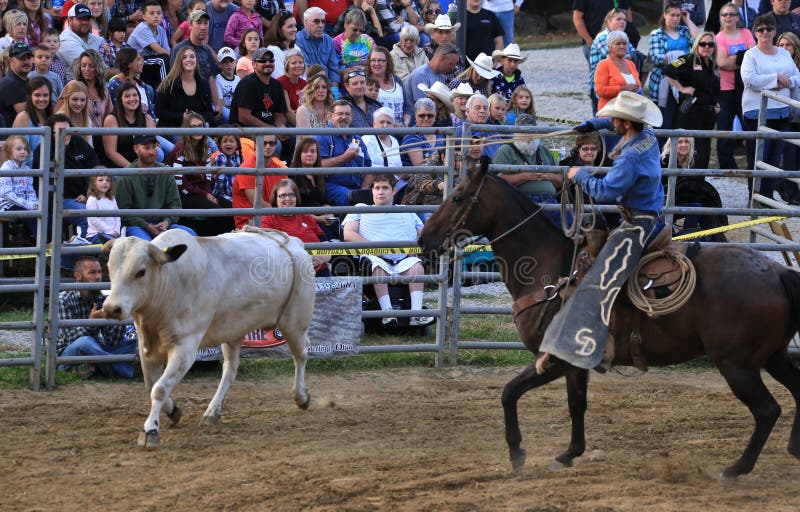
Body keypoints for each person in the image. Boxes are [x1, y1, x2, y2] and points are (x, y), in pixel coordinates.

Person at [537, 91, 664, 372]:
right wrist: (593, 124)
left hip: (638, 224)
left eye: (615, 117)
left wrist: (578, 175)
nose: (612, 120)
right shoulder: (647, 138)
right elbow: (610, 125)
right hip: (648, 214)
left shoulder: (629, 157)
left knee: (598, 279)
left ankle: (593, 341)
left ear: (626, 123)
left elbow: (606, 192)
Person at [342, 173, 433, 326]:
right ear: (372, 191)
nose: (380, 191)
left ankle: (416, 314)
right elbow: (348, 234)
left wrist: (416, 247)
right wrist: (374, 249)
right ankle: (387, 313)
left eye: (385, 188)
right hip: (374, 257)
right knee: (377, 265)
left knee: (417, 266)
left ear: (394, 190)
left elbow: (423, 234)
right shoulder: (360, 209)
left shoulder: (406, 210)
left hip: (404, 259)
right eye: (377, 188)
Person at [742, 13, 800, 203]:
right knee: (759, 156)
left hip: (782, 111)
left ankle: (766, 197)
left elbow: (797, 76)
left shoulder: (783, 53)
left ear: (775, 31)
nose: (765, 32)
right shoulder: (751, 54)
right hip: (757, 112)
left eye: (769, 28)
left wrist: (787, 80)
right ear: (755, 32)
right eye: (761, 29)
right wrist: (776, 79)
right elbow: (749, 79)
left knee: (774, 159)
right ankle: (754, 196)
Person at [57, 256, 134, 379]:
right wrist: (91, 323)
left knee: (135, 343)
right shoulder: (63, 299)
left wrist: (114, 318)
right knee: (85, 342)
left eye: (99, 272)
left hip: (96, 349)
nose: (98, 277)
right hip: (69, 353)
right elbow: (67, 340)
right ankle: (125, 371)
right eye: (92, 272)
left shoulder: (102, 298)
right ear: (78, 276)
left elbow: (113, 342)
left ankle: (97, 367)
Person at [115, 134, 197, 240]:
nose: (151, 151)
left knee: (191, 235)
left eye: (154, 147)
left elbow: (175, 205)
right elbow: (124, 212)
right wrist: (148, 226)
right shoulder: (126, 176)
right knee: (147, 247)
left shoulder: (166, 172)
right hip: (136, 226)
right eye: (146, 148)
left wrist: (166, 222)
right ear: (136, 149)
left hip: (162, 225)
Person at [165, 112, 234, 235]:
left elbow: (207, 176)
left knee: (233, 210)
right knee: (219, 214)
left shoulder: (204, 148)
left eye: (200, 125)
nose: (198, 129)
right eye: (193, 127)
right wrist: (205, 195)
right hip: (183, 196)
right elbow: (181, 184)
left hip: (200, 193)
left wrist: (207, 193)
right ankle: (206, 237)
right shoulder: (179, 151)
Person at [664, 31, 720, 170]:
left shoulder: (711, 65)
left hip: (707, 116)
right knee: (689, 151)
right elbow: (667, 70)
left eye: (710, 44)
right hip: (691, 113)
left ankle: (700, 184)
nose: (706, 47)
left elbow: (710, 88)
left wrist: (716, 103)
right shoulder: (688, 59)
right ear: (697, 45)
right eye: (703, 44)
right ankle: (684, 185)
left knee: (704, 152)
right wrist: (681, 88)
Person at [660, 136, 729, 240]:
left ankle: (710, 235)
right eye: (679, 142)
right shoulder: (665, 161)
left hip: (677, 199)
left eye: (686, 141)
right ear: (671, 145)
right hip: (661, 203)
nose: (683, 145)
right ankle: (689, 236)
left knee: (704, 203)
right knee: (697, 207)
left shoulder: (691, 160)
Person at [647, 2, 700, 134]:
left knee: (681, 122)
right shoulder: (656, 34)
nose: (676, 18)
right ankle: (662, 153)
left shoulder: (684, 31)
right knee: (664, 123)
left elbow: (699, 41)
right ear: (665, 15)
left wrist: (687, 19)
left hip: (685, 81)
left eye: (678, 15)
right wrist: (682, 58)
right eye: (672, 15)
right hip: (664, 83)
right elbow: (656, 57)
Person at [262, 178, 332, 276]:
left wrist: (324, 257)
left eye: (291, 195)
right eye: (282, 195)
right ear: (275, 198)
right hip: (289, 274)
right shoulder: (269, 219)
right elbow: (269, 250)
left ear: (296, 197)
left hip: (318, 270)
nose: (287, 199)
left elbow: (325, 242)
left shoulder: (306, 215)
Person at [716, 2, 756, 170]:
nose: (728, 17)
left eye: (731, 14)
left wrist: (736, 59)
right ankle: (727, 166)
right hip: (726, 89)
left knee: (750, 128)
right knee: (724, 129)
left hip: (745, 89)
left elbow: (754, 57)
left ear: (738, 17)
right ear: (720, 18)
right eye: (724, 14)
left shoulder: (745, 32)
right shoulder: (719, 37)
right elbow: (722, 62)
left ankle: (753, 163)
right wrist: (743, 59)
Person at [494, 114, 562, 211]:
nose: (527, 134)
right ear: (516, 131)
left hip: (550, 200)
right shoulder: (506, 150)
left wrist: (549, 176)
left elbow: (561, 181)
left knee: (570, 223)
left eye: (531, 130)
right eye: (523, 131)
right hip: (522, 201)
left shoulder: (544, 150)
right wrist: (525, 176)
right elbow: (496, 181)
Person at [316, 99, 372, 206]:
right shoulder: (322, 136)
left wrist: (363, 191)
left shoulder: (357, 138)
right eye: (340, 114)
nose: (344, 117)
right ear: (330, 116)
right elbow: (318, 165)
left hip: (357, 187)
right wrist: (345, 158)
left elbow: (368, 168)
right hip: (331, 186)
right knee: (347, 196)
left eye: (347, 114)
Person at [588, 7, 639, 114]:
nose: (622, 22)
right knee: (601, 123)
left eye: (624, 20)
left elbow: (634, 55)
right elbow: (616, 57)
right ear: (608, 21)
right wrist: (630, 56)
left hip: (623, 90)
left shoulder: (622, 37)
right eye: (618, 19)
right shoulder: (604, 37)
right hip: (603, 86)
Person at [231, 132, 288, 228]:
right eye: (264, 143)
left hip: (273, 217)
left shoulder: (280, 169)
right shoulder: (247, 169)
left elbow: (286, 200)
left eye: (271, 143)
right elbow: (258, 203)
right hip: (250, 222)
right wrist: (284, 214)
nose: (268, 146)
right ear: (256, 145)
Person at [229, 46, 288, 132]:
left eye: (271, 60)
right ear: (254, 64)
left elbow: (279, 114)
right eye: (263, 61)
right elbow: (244, 117)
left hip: (270, 130)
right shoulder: (248, 83)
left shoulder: (277, 85)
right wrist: (271, 130)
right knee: (276, 144)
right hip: (245, 131)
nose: (268, 63)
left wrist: (280, 128)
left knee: (294, 137)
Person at [155, 45, 214, 128]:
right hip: (174, 129)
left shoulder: (203, 84)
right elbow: (159, 112)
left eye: (192, 57)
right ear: (179, 61)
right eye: (184, 57)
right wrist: (182, 117)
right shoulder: (168, 84)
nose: (189, 59)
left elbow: (209, 112)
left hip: (198, 130)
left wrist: (196, 118)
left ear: (196, 60)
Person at [0, 136, 39, 238]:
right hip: (7, 206)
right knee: (31, 216)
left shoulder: (26, 169)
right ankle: (42, 242)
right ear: (9, 151)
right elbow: (8, 194)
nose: (23, 152)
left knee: (45, 214)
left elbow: (30, 190)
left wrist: (35, 204)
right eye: (18, 149)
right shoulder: (6, 168)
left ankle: (54, 241)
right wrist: (29, 206)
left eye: (25, 149)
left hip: (23, 204)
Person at [126, 0, 170, 89]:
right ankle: (166, 90)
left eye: (158, 13)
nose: (156, 16)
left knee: (168, 59)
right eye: (152, 13)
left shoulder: (161, 30)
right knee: (163, 60)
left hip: (149, 62)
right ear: (144, 17)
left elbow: (167, 50)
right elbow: (160, 51)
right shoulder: (143, 29)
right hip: (133, 62)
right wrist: (176, 55)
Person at [594, 30, 641, 113]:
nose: (622, 46)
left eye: (624, 43)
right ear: (609, 47)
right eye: (618, 44)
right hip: (610, 113)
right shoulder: (603, 65)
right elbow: (600, 90)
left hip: (631, 113)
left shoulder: (631, 64)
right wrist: (623, 89)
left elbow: (638, 86)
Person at [13, 76, 52, 168]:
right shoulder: (23, 117)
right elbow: (22, 153)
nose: (42, 99)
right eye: (37, 95)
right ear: (30, 96)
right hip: (29, 172)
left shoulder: (51, 117)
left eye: (45, 95)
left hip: (50, 170)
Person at [295, 6, 340, 86]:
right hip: (310, 85)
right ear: (305, 23)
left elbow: (333, 69)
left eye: (323, 22)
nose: (321, 25)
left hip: (328, 85)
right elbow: (307, 70)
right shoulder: (298, 40)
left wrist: (334, 88)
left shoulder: (328, 40)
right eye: (316, 21)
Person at [170, 9, 220, 81]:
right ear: (190, 25)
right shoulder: (179, 49)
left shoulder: (207, 50)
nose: (203, 27)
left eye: (205, 23)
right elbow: (173, 79)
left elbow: (211, 79)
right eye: (198, 23)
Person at [59, 3, 105, 81]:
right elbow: (90, 70)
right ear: (70, 21)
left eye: (87, 19)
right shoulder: (65, 40)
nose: (85, 22)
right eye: (80, 19)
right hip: (74, 88)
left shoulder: (92, 37)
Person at [367, 45, 410, 125]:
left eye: (380, 60)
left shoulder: (397, 80)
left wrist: (405, 125)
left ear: (387, 62)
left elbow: (407, 106)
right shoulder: (365, 81)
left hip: (400, 131)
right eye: (373, 60)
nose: (376, 63)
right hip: (377, 131)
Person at [72, 49, 113, 130]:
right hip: (80, 136)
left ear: (98, 68)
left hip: (100, 136)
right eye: (83, 66)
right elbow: (60, 112)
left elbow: (110, 117)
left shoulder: (104, 90)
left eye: (91, 66)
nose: (87, 69)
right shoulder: (73, 87)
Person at [0, 43, 34, 132]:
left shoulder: (25, 80)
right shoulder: (11, 84)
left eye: (29, 58)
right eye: (22, 58)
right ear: (11, 60)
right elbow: (29, 115)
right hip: (10, 139)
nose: (26, 62)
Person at [400, 97, 444, 167]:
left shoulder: (440, 134)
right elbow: (420, 166)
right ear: (415, 117)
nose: (426, 118)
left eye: (430, 116)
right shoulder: (412, 135)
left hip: (437, 175)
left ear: (435, 117)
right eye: (422, 115)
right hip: (415, 176)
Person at [454, 93, 502, 158]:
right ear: (468, 111)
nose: (482, 111)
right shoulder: (459, 131)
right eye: (478, 108)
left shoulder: (494, 133)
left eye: (485, 108)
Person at [209, 129, 243, 208]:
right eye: (225, 141)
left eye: (231, 141)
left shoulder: (239, 158)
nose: (228, 144)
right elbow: (222, 186)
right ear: (220, 145)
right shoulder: (221, 157)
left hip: (235, 194)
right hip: (222, 195)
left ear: (237, 144)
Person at [85, 174, 120, 243]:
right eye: (101, 180)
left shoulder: (112, 199)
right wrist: (110, 231)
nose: (105, 182)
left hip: (113, 234)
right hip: (96, 234)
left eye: (108, 180)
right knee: (114, 244)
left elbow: (117, 216)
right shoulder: (92, 199)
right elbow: (94, 220)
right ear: (94, 183)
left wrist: (117, 230)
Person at [263, 9, 298, 80]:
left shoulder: (296, 48)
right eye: (290, 26)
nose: (295, 29)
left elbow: (304, 75)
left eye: (295, 26)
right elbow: (280, 78)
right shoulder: (273, 50)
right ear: (279, 29)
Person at [277, 47, 307, 126]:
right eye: (294, 63)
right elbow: (288, 112)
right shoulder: (280, 83)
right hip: (286, 123)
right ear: (287, 66)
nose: (298, 65)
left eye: (300, 62)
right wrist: (304, 131)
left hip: (301, 120)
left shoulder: (305, 84)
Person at [212, 46, 240, 124]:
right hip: (224, 109)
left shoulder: (238, 79)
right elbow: (220, 101)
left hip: (235, 109)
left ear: (236, 62)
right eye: (225, 62)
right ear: (219, 64)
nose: (229, 64)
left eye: (231, 61)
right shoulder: (218, 79)